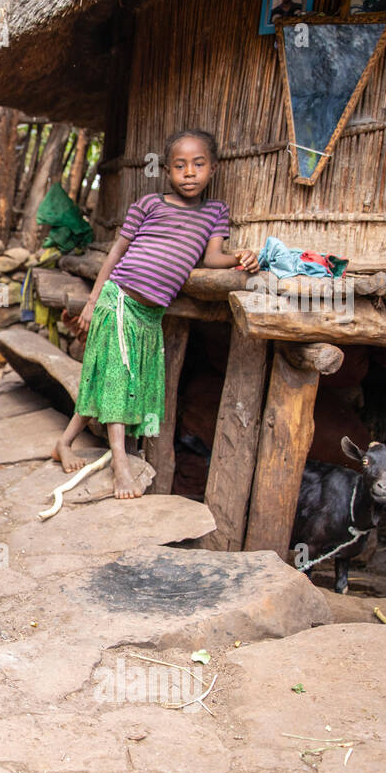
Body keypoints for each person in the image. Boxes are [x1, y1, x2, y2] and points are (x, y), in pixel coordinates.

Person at [52, 129, 260, 497]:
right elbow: (114, 255)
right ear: (167, 171)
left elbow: (212, 258)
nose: (189, 173)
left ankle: (65, 442)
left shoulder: (215, 212)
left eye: (198, 165)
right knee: (116, 384)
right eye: (180, 166)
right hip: (119, 299)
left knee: (114, 385)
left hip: (150, 317)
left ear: (213, 168)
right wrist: (92, 301)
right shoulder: (148, 205)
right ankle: (121, 469)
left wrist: (240, 258)